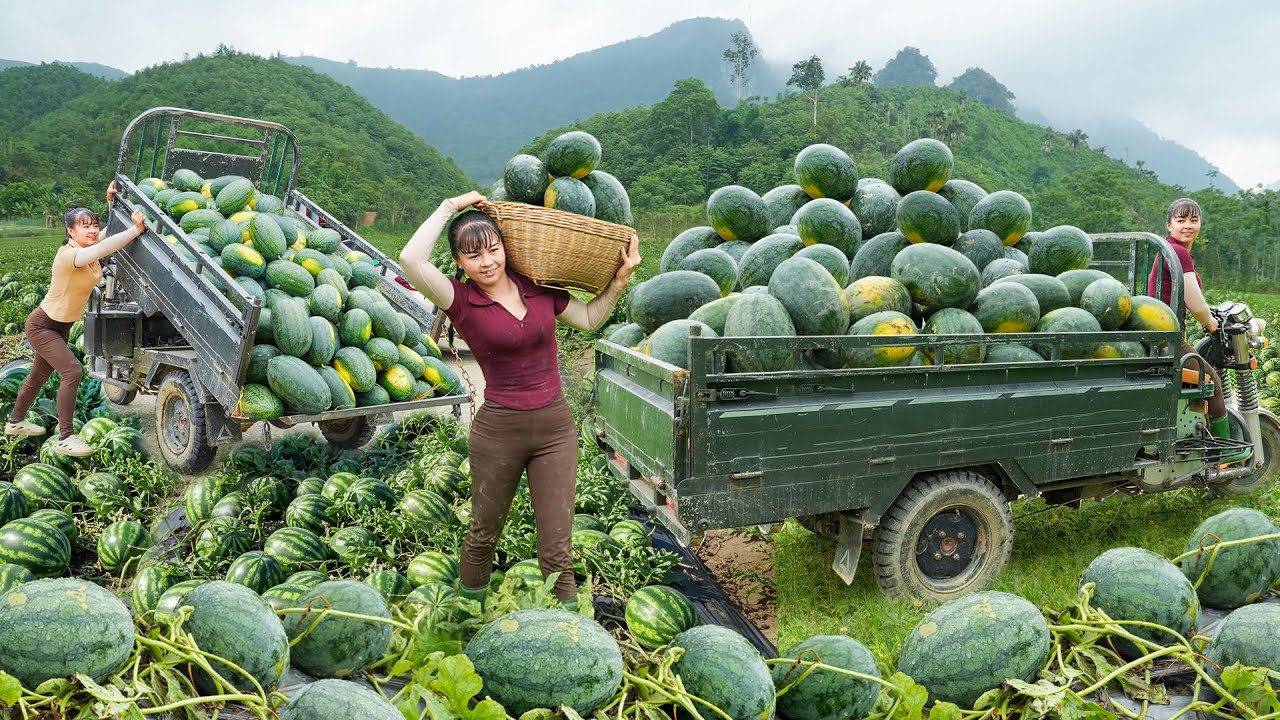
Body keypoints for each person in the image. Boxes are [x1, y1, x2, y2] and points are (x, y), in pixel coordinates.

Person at [399, 191, 641, 606]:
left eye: (493, 250)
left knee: (557, 547)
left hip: (555, 431)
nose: (487, 262)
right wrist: (448, 207)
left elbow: (586, 318)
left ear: (505, 248)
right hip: (499, 434)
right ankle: (469, 617)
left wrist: (618, 284)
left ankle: (571, 633)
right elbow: (411, 260)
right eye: (473, 256)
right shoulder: (461, 300)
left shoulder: (538, 289)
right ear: (459, 262)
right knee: (483, 533)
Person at [5, 182, 146, 455]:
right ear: (70, 231)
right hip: (42, 325)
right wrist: (135, 230)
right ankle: (66, 436)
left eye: (94, 225)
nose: (92, 230)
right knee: (72, 372)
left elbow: (106, 236)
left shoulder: (87, 250)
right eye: (85, 226)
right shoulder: (70, 256)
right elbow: (104, 247)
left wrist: (111, 202)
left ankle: (15, 422)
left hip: (61, 327)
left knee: (37, 377)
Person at [1147, 197, 1243, 460]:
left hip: (1159, 335)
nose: (1188, 225)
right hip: (1169, 340)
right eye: (1181, 220)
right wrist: (1211, 325)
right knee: (1211, 381)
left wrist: (1206, 313)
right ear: (1169, 224)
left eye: (1193, 220)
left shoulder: (1169, 249)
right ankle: (1224, 448)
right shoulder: (1177, 252)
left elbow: (1192, 297)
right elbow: (1192, 298)